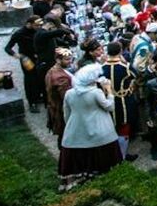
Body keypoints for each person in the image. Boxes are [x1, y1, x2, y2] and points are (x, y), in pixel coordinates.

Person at [58, 63, 122, 191]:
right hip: (100, 131)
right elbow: (110, 107)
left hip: (76, 131)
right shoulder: (95, 92)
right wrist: (109, 91)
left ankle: (78, 179)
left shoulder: (69, 93)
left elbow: (66, 114)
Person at [100, 40, 139, 161]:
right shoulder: (125, 66)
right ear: (120, 51)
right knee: (124, 125)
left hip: (108, 99)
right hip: (124, 100)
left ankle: (112, 154)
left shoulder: (101, 67)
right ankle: (122, 155)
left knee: (111, 126)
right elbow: (136, 75)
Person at [5, 15, 44, 112]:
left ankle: (38, 96)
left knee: (38, 77)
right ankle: (32, 103)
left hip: (37, 57)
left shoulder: (37, 31)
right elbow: (8, 48)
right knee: (30, 80)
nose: (39, 27)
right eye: (36, 25)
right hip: (26, 59)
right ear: (29, 24)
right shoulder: (19, 33)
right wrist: (16, 55)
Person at [44, 47, 74, 145]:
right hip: (60, 110)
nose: (70, 61)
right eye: (67, 59)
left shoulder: (53, 70)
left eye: (70, 59)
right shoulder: (60, 77)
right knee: (65, 136)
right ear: (58, 60)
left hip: (55, 106)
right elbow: (67, 97)